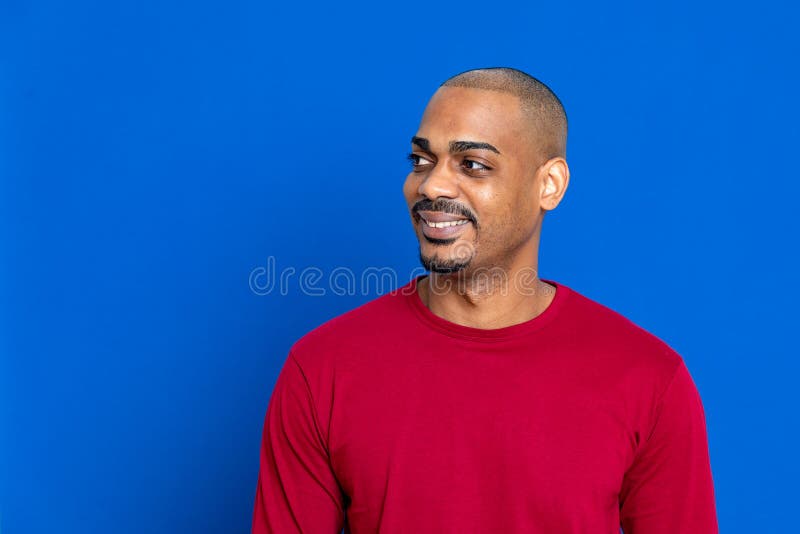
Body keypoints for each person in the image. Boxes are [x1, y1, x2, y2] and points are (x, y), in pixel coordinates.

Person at [251, 67, 719, 533]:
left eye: (472, 164)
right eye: (420, 161)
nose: (431, 186)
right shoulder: (321, 369)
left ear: (549, 185)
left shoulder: (649, 380)